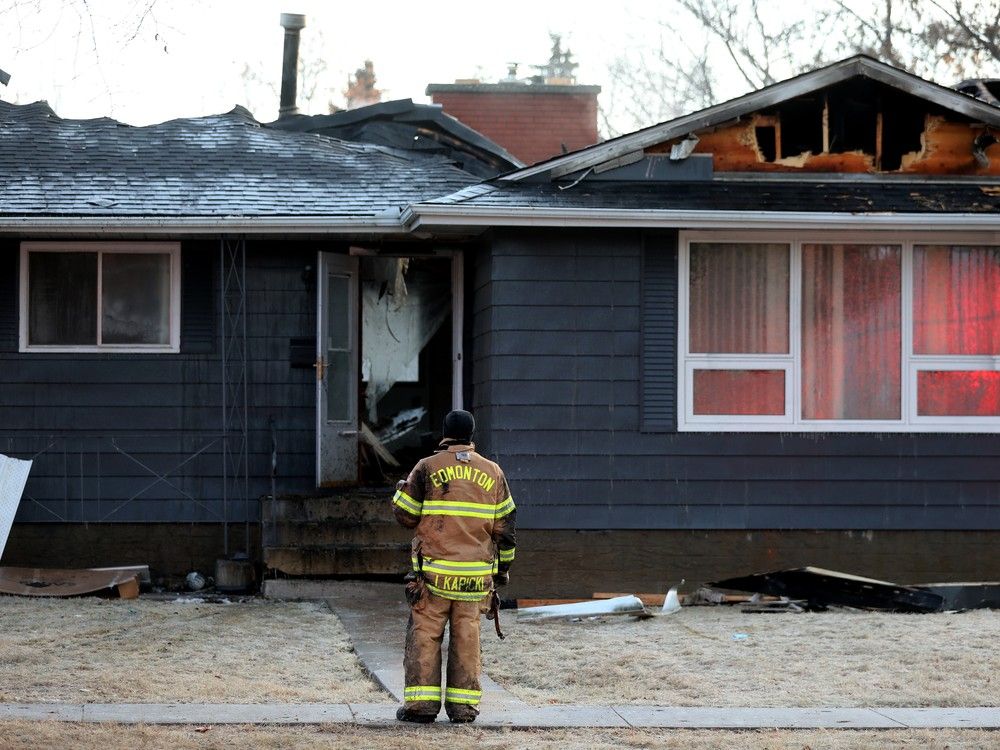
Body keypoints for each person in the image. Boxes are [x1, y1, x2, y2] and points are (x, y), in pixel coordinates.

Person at [391, 409, 517, 723]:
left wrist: (398, 492)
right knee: (467, 640)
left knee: (425, 637)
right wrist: (501, 572)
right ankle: (462, 709)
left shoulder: (426, 468)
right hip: (474, 579)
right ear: (471, 434)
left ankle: (421, 708)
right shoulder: (493, 472)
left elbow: (406, 516)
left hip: (433, 577)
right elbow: (506, 530)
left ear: (444, 433)